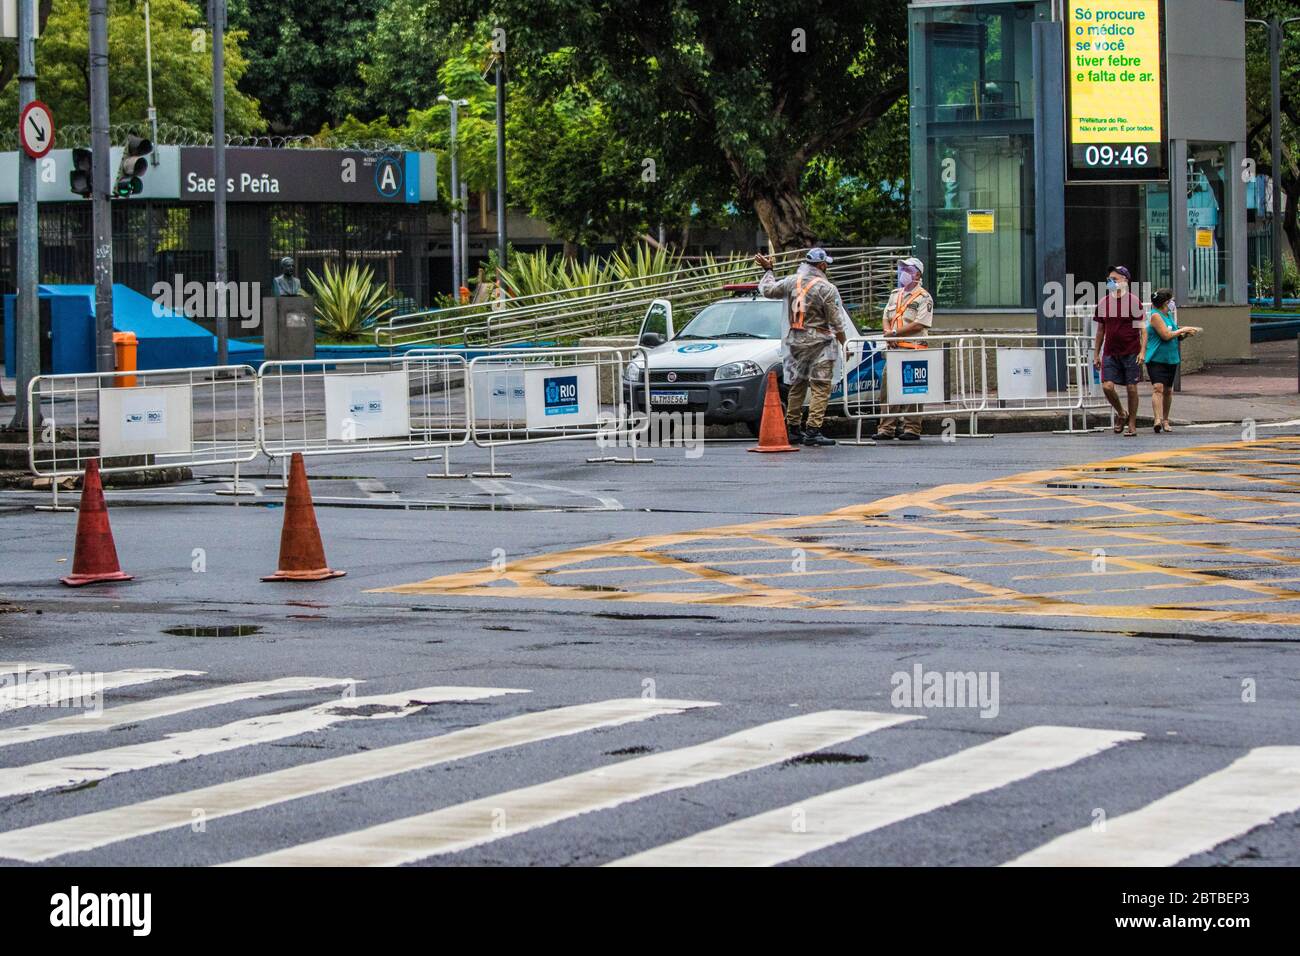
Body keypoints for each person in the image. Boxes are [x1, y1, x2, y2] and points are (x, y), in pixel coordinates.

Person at [754, 247, 851, 447]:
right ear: (822, 265)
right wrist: (844, 343)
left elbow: (767, 290)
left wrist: (768, 270)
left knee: (797, 385)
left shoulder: (791, 281)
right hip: (819, 343)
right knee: (820, 387)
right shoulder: (826, 288)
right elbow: (837, 322)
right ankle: (813, 430)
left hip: (795, 342)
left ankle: (793, 428)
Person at [872, 256, 934, 442]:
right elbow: (885, 317)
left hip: (913, 349)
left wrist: (895, 333)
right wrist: (888, 333)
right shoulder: (895, 294)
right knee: (888, 390)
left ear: (918, 274)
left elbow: (919, 324)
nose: (903, 273)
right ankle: (886, 428)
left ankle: (912, 428)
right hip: (894, 348)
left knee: (913, 389)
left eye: (908, 270)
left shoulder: (924, 297)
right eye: (902, 269)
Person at [1092, 266, 1147, 437]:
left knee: (1132, 388)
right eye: (1109, 279)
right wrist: (1096, 353)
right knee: (1107, 387)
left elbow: (1142, 330)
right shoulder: (1103, 303)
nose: (1111, 282)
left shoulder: (1133, 302)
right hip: (1110, 352)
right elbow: (1100, 330)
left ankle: (1132, 423)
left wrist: (1142, 352)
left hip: (1131, 351)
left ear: (1125, 281)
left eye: (1114, 279)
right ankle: (1121, 413)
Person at [1145, 289, 1201, 434]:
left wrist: (1184, 334)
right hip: (1156, 358)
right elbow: (1166, 335)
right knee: (1158, 388)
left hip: (1171, 358)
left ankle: (1165, 419)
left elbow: (1174, 336)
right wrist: (1184, 329)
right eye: (1170, 301)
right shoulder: (1155, 316)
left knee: (1168, 390)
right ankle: (1157, 419)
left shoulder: (1168, 316)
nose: (1172, 304)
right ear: (1165, 303)